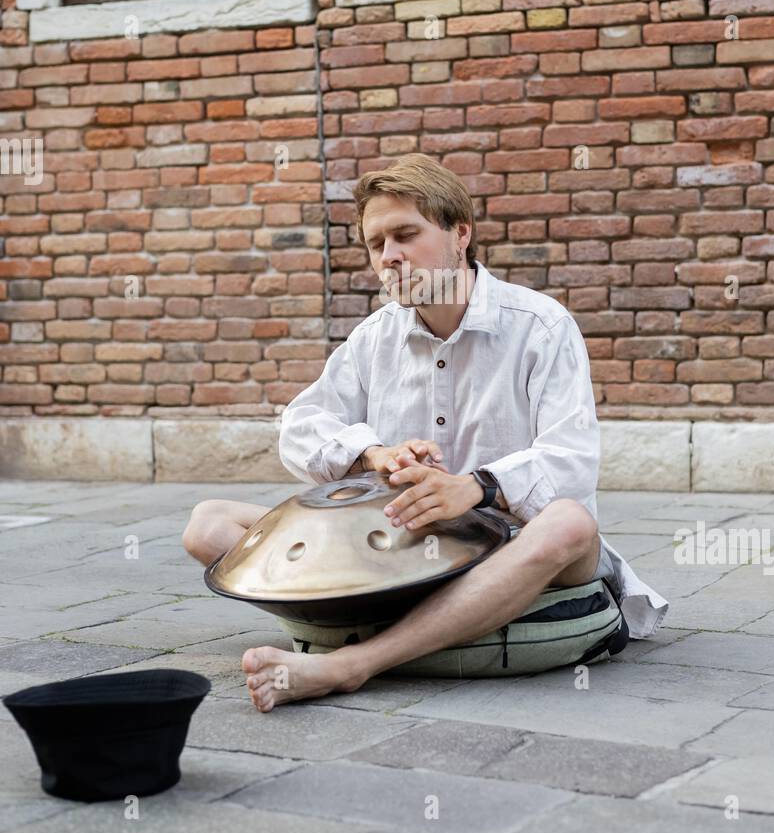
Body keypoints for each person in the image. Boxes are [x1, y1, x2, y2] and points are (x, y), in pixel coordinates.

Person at [182, 155, 668, 710]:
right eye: (376, 244)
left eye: (406, 235)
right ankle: (440, 620)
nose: (390, 257)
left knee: (570, 523)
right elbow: (301, 423)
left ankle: (350, 661)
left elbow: (572, 459)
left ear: (460, 233)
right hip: (406, 546)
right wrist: (373, 455)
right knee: (209, 524)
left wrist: (477, 487)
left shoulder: (542, 326)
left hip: (513, 541)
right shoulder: (374, 337)